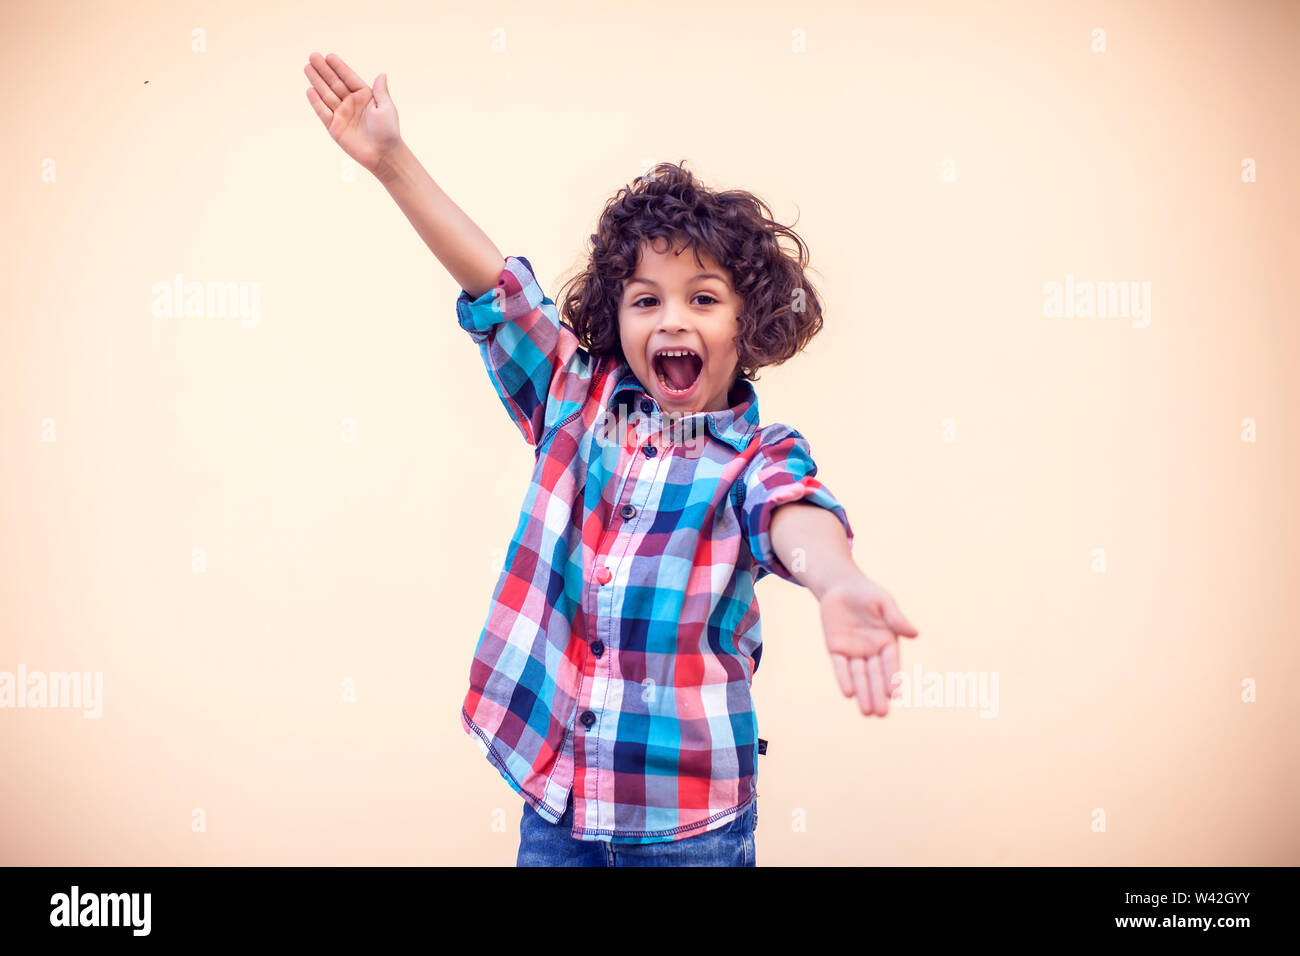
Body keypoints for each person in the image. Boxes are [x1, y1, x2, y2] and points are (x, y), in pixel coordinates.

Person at [304, 52, 919, 867]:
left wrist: (837, 580)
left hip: (690, 827)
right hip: (555, 804)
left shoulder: (755, 458)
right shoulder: (573, 398)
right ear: (617, 319)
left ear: (747, 323)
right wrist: (389, 161)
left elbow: (795, 516)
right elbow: (498, 289)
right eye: (645, 299)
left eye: (702, 298)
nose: (671, 320)